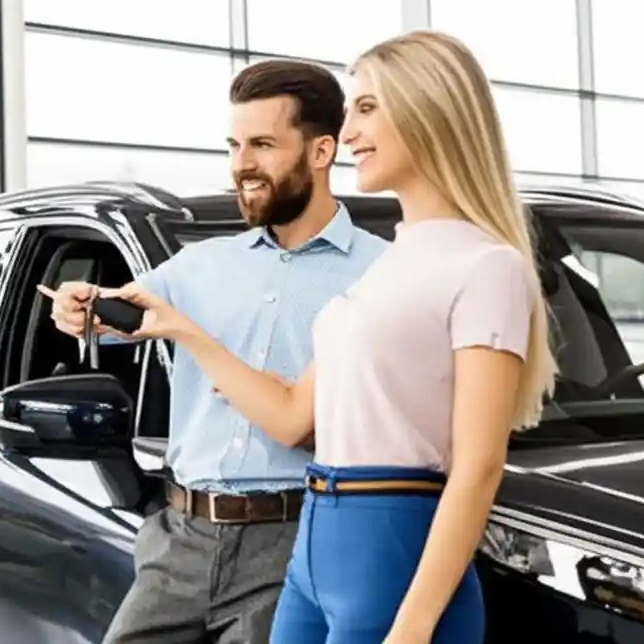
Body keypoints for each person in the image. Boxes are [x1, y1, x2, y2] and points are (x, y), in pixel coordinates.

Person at [108, 30, 560, 643]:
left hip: (385, 541)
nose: (348, 135)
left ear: (428, 110)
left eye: (367, 109)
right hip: (314, 542)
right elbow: (294, 414)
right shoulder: (393, 262)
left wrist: (415, 625)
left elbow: (479, 466)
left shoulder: (486, 265)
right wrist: (187, 332)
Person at [44, 59, 388, 643]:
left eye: (261, 144)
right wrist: (76, 310)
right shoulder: (199, 266)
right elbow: (115, 315)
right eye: (233, 145)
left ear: (322, 150)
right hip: (179, 540)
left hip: (294, 545)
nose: (241, 165)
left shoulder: (380, 272)